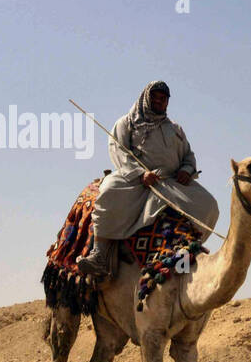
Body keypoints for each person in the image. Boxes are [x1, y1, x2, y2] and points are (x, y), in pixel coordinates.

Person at [76, 81, 219, 277]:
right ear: (146, 97)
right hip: (136, 180)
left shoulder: (175, 129)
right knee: (107, 191)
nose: (160, 101)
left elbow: (188, 155)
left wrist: (186, 169)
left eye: (164, 98)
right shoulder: (127, 123)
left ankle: (188, 252)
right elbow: (118, 151)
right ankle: (99, 255)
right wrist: (140, 174)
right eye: (156, 97)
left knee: (209, 205)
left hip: (171, 182)